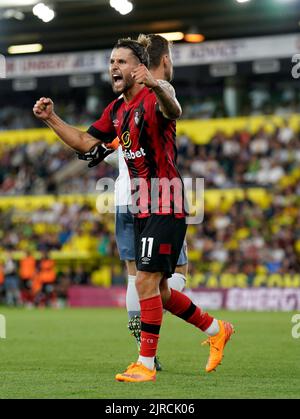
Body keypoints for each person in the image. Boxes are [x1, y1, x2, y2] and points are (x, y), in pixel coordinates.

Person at [33, 35, 234, 383]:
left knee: (144, 282)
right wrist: (52, 119)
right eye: (111, 61)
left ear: (139, 67)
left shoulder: (153, 98)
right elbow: (84, 141)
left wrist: (157, 87)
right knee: (161, 290)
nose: (114, 66)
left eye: (121, 61)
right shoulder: (117, 110)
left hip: (165, 199)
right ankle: (217, 329)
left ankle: (145, 363)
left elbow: (174, 110)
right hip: (142, 205)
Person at [78, 34, 188, 372]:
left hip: (125, 198)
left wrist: (103, 151)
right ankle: (150, 350)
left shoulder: (127, 104)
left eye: (119, 61)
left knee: (136, 276)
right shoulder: (155, 93)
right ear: (164, 60)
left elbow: (104, 150)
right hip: (154, 198)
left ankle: (146, 346)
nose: (114, 66)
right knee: (167, 276)